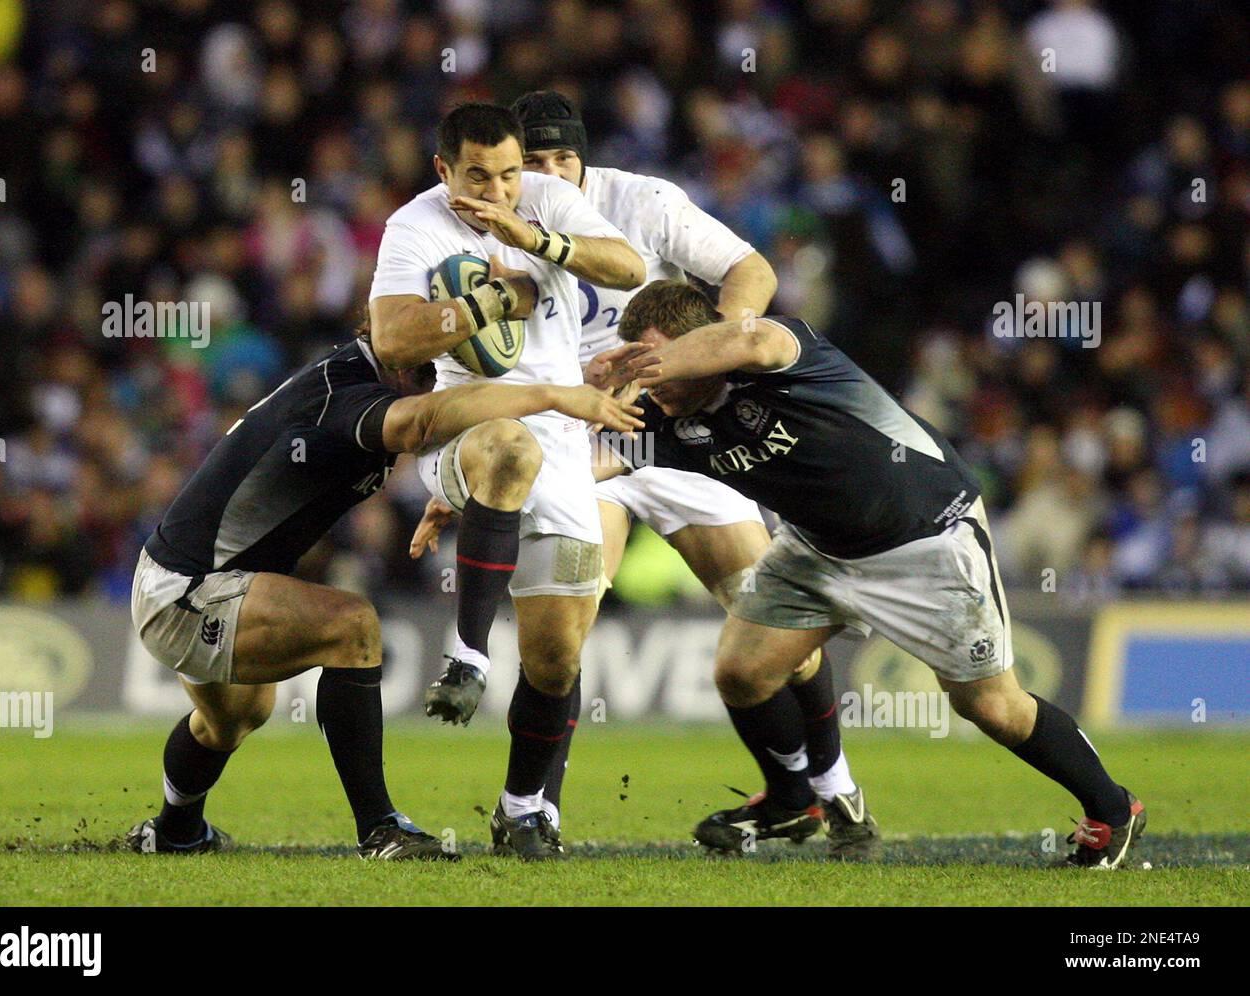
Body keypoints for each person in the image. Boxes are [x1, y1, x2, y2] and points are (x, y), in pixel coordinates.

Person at [415, 91, 880, 858]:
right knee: (558, 639)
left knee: (772, 611)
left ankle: (828, 790)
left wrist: (700, 359)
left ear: (584, 160)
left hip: (669, 425)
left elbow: (750, 271)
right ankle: (530, 808)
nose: (546, 175)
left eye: (562, 159)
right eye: (531, 165)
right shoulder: (482, 227)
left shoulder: (642, 202)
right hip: (571, 436)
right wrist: (456, 484)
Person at [590, 279, 1145, 868]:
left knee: (992, 708)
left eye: (654, 360)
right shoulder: (657, 420)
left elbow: (749, 335)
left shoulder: (786, 355)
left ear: (701, 342)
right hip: (817, 550)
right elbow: (590, 464)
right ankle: (792, 799)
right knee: (742, 672)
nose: (648, 378)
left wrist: (634, 366)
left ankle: (1113, 809)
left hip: (926, 539)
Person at [126, 328, 642, 860]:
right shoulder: (345, 389)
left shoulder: (364, 380)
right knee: (353, 628)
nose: (447, 373)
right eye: (440, 362)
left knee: (232, 717)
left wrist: (583, 382)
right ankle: (380, 827)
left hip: (202, 581)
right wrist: (557, 393)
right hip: (188, 589)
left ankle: (174, 830)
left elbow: (463, 419)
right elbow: (427, 421)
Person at [367, 102, 644, 859]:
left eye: (510, 173)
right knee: (508, 449)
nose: (497, 189)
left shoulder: (547, 200)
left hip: (561, 433)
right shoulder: (415, 226)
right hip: (465, 424)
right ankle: (471, 653)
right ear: (444, 171)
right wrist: (490, 298)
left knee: (557, 656)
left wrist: (532, 237)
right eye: (479, 175)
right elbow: (392, 338)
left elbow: (630, 268)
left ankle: (524, 809)